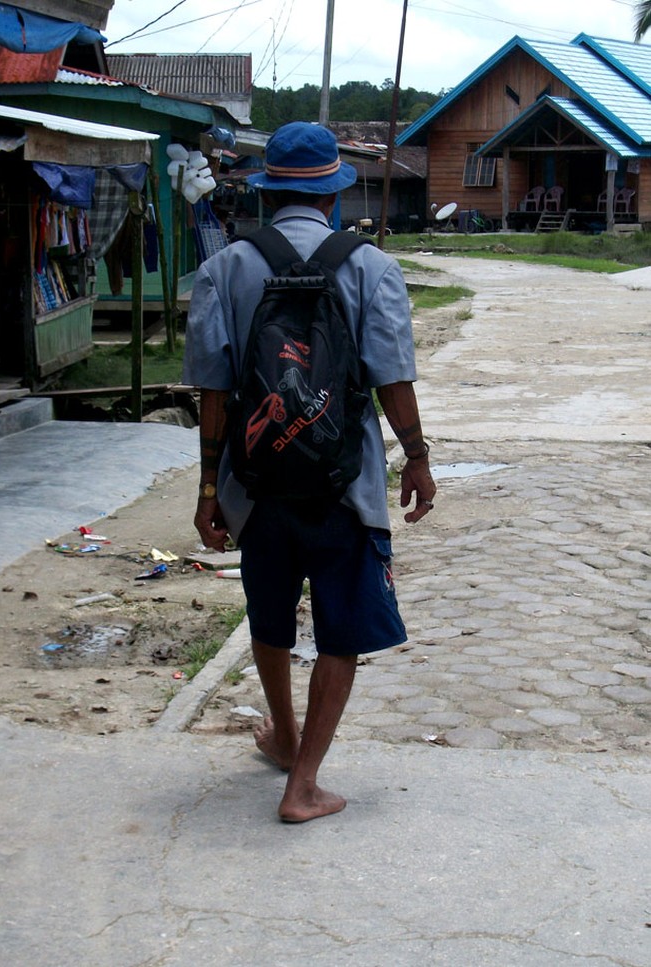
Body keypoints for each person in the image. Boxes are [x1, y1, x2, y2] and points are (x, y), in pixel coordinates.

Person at [183, 121, 436, 823]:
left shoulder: (224, 269)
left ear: (266, 194)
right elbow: (393, 377)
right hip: (345, 488)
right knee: (341, 630)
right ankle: (304, 783)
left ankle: (286, 737)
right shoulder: (372, 267)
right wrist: (416, 458)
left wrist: (209, 491)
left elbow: (212, 391)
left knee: (270, 616)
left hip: (256, 486)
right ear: (333, 193)